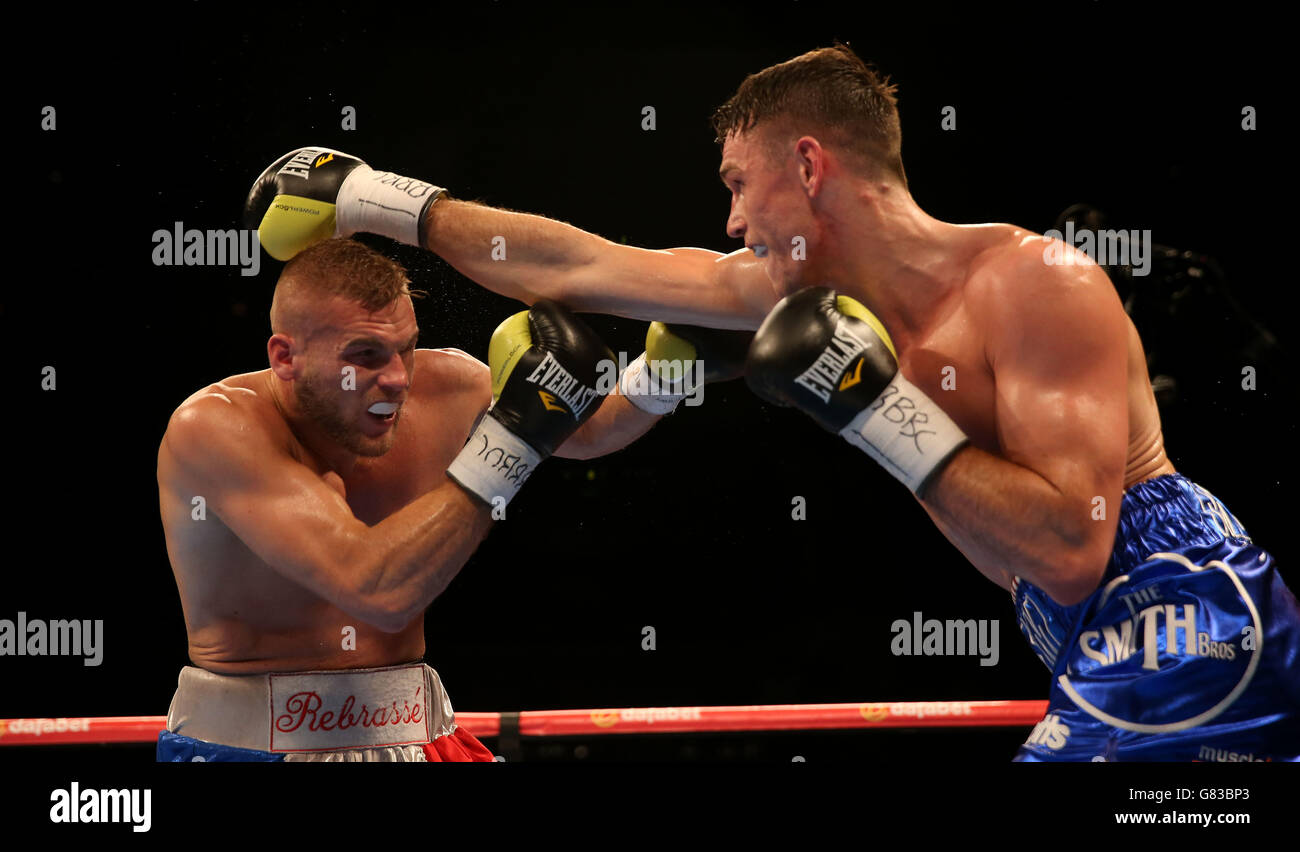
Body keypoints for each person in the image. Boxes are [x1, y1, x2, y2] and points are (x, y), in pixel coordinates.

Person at [245, 44, 1299, 761]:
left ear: (808, 164)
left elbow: (1073, 546)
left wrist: (876, 408)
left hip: (1176, 602)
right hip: (1074, 630)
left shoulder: (1034, 283)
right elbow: (581, 265)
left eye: (739, 183)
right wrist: (383, 202)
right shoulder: (788, 300)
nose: (732, 216)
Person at [155, 237, 681, 762]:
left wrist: (671, 369)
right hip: (250, 747)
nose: (398, 379)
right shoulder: (217, 428)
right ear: (285, 356)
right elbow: (375, 590)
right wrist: (511, 440)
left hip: (421, 736)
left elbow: (588, 432)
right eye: (365, 355)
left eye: (406, 346)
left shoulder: (447, 385)